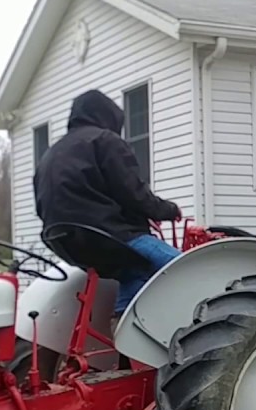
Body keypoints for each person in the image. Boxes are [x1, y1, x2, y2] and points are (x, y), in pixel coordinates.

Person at [34, 89, 183, 317]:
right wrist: (169, 210)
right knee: (187, 269)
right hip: (106, 235)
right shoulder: (105, 140)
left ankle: (125, 335)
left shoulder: (51, 153)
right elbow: (133, 193)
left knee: (135, 271)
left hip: (64, 241)